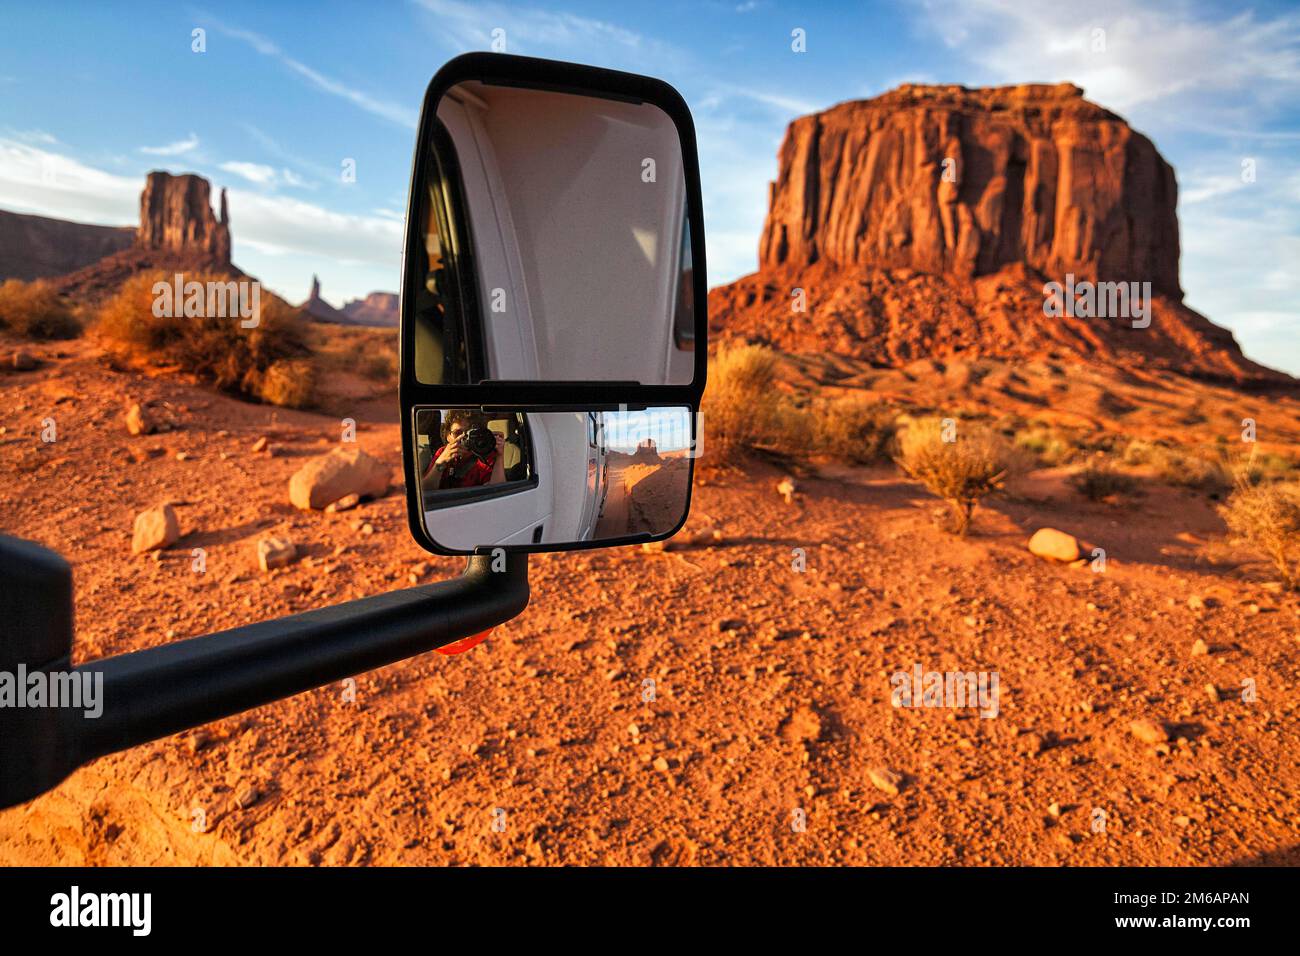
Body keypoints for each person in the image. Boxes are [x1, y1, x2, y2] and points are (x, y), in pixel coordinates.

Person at [424, 410, 506, 489]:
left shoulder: (484, 454)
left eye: (468, 433)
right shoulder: (442, 452)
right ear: (447, 435)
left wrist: (500, 455)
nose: (463, 437)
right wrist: (442, 462)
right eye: (457, 433)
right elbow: (426, 490)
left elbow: (497, 490)